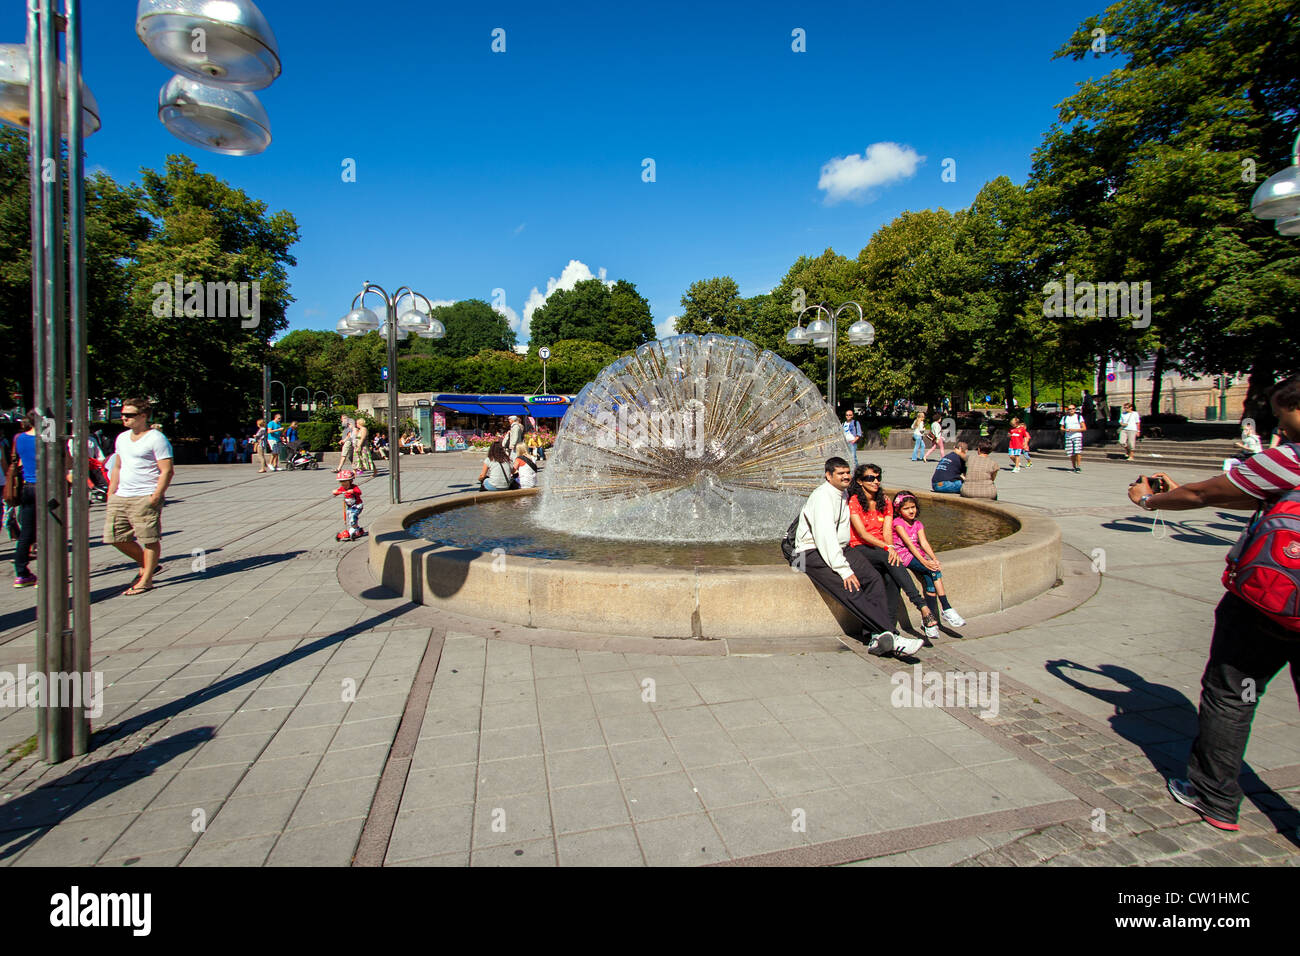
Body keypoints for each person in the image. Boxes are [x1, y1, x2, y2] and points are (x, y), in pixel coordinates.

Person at [1126, 372, 1300, 831]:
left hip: (1267, 607)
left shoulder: (1291, 460)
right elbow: (1250, 497)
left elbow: (1206, 494)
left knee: (1231, 695)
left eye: (1285, 417)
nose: (1281, 430)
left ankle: (1215, 798)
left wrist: (1150, 501)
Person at [789, 457, 923, 658]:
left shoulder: (842, 493)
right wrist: (844, 570)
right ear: (828, 475)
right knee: (850, 586)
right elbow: (825, 538)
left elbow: (840, 534)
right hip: (809, 552)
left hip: (840, 548)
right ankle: (892, 635)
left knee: (873, 578)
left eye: (847, 472)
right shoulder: (823, 497)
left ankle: (875, 636)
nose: (845, 476)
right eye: (840, 473)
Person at [846, 464, 940, 639]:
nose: (875, 481)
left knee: (892, 576)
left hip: (881, 548)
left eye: (878, 477)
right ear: (859, 481)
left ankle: (888, 628)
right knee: (890, 559)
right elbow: (862, 534)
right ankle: (922, 606)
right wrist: (888, 548)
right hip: (860, 547)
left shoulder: (885, 500)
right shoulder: (854, 501)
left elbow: (887, 530)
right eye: (870, 478)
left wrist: (890, 548)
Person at [105, 398, 173, 596]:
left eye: (129, 415)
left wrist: (156, 496)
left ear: (143, 416)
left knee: (149, 538)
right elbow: (117, 466)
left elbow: (166, 470)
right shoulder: (122, 438)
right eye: (123, 415)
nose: (124, 418)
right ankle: (148, 564)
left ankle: (147, 579)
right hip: (121, 495)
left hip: (145, 495)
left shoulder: (156, 438)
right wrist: (112, 490)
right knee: (115, 537)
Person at [892, 492, 966, 629]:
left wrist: (934, 559)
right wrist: (925, 562)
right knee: (931, 570)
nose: (911, 511)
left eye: (913, 507)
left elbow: (924, 543)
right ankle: (946, 607)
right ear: (898, 510)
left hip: (916, 554)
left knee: (929, 579)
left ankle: (930, 622)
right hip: (904, 555)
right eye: (906, 508)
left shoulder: (918, 524)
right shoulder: (898, 523)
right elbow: (909, 544)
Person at [10, 412, 38, 587]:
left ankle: (21, 572)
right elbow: (66, 463)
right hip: (46, 487)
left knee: (27, 531)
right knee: (52, 531)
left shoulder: (19, 438)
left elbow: (18, 461)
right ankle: (50, 571)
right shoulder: (47, 439)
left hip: (27, 486)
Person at [1060, 403, 1087, 473]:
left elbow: (1084, 428)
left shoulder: (1079, 417)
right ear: (1067, 410)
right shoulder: (1065, 418)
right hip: (1068, 436)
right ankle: (1074, 466)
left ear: (1075, 410)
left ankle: (1078, 466)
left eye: (1073, 409)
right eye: (1069, 409)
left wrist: (1075, 430)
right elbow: (1061, 427)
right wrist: (1065, 430)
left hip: (1077, 436)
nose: (1071, 410)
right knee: (1071, 453)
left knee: (1077, 451)